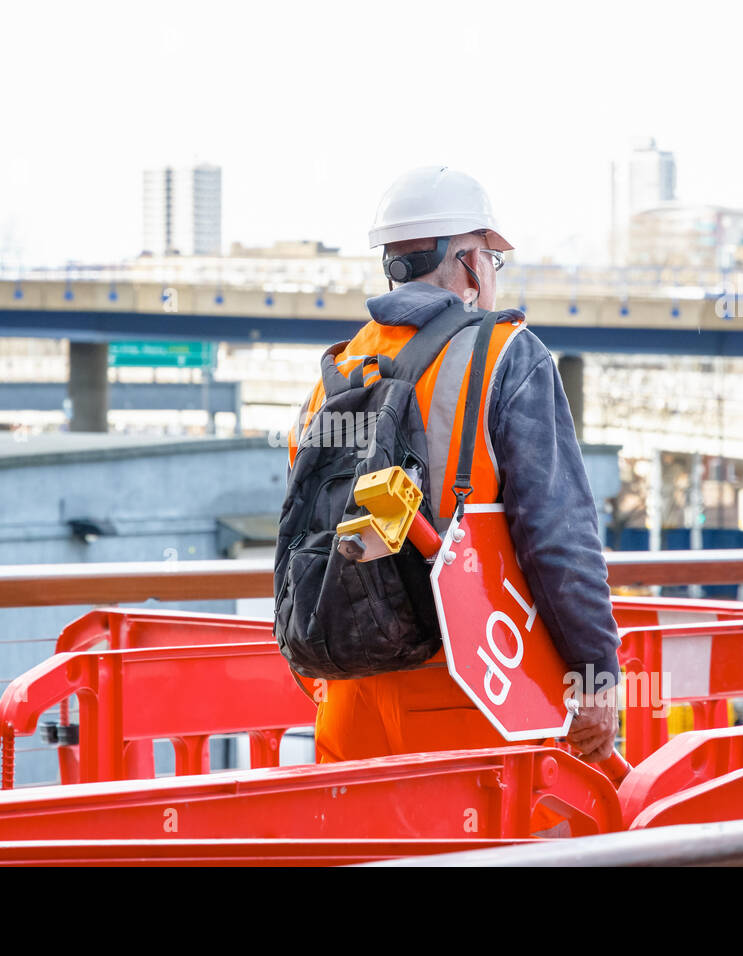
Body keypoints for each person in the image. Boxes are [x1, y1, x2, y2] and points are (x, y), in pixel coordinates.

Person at [286, 166, 621, 774]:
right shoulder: (506, 355)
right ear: (467, 262)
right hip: (476, 693)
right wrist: (595, 672)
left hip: (350, 700)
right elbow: (557, 535)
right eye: (492, 257)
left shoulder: (340, 369)